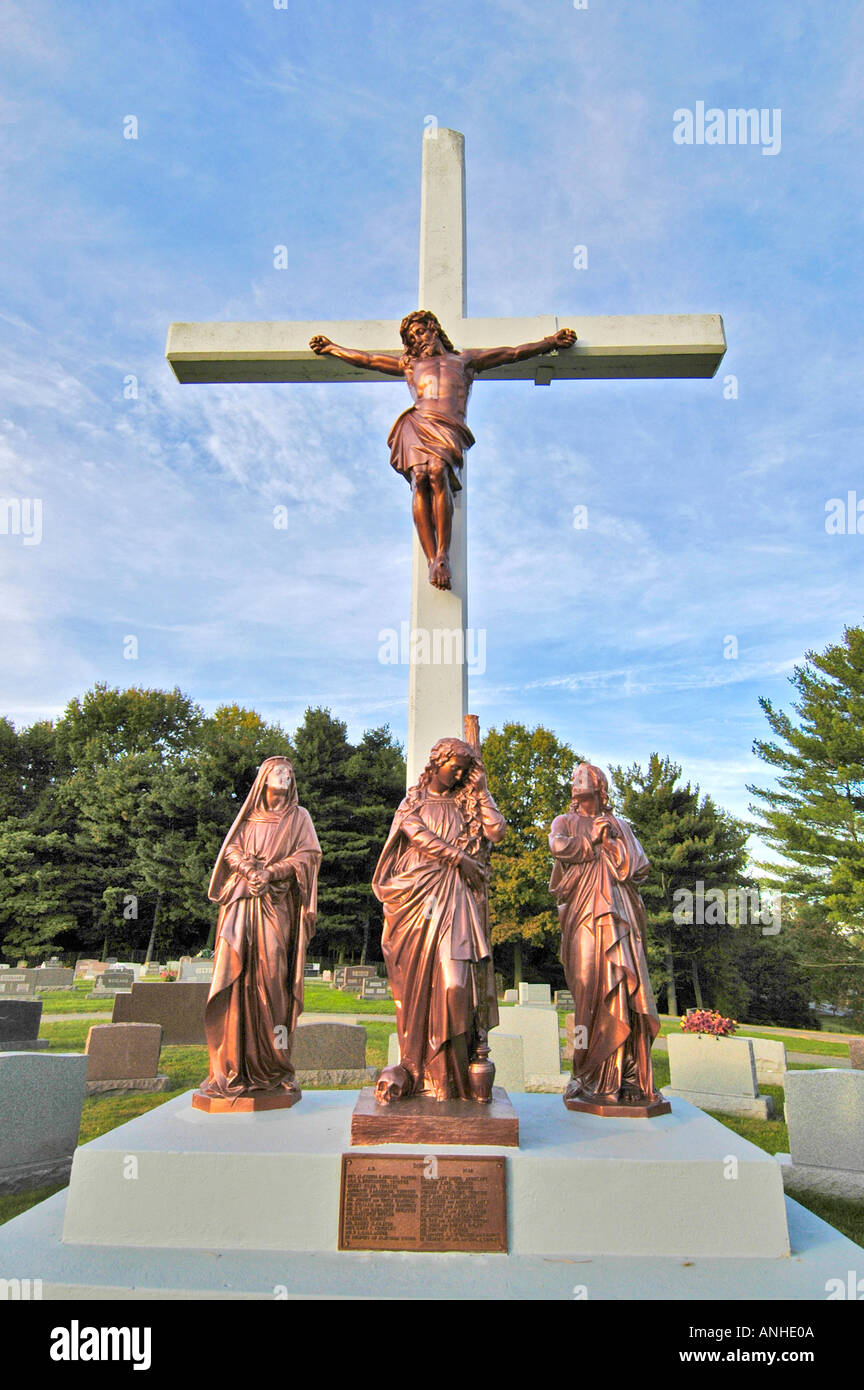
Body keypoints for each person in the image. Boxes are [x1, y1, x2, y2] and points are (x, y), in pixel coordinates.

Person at [310, 311, 576, 590]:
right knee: (420, 479)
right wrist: (332, 348)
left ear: (433, 329)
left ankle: (443, 554)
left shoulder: (464, 361)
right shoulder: (410, 365)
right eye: (412, 337)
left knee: (437, 471)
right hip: (419, 422)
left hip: (448, 425)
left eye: (421, 332)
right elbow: (368, 360)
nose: (418, 339)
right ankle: (432, 559)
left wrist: (551, 342)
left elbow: (512, 353)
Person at [372, 737, 506, 1102]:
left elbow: (497, 831)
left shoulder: (468, 802)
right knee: (416, 988)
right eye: (455, 767)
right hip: (418, 900)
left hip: (457, 900)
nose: (459, 774)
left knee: (456, 987)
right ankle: (422, 1073)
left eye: (465, 769)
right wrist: (459, 858)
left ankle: (453, 1079)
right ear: (437, 762)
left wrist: (483, 791)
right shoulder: (413, 801)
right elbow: (417, 835)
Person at [197, 756, 321, 1106]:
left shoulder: (300, 818)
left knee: (272, 978)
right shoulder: (248, 818)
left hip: (277, 906)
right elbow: (231, 850)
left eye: (289, 772)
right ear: (264, 779)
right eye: (278, 771)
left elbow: (309, 857)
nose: (286, 775)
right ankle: (231, 1065)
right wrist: (249, 869)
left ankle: (274, 1066)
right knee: (236, 978)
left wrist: (273, 872)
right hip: (241, 903)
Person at [548, 763, 665, 1111]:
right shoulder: (564, 822)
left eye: (581, 778)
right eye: (572, 779)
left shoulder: (620, 825)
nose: (574, 783)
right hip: (583, 914)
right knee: (587, 988)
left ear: (598, 786)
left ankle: (626, 1078)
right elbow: (558, 847)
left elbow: (640, 866)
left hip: (619, 914)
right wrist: (591, 841)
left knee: (624, 989)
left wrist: (612, 842)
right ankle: (586, 1073)